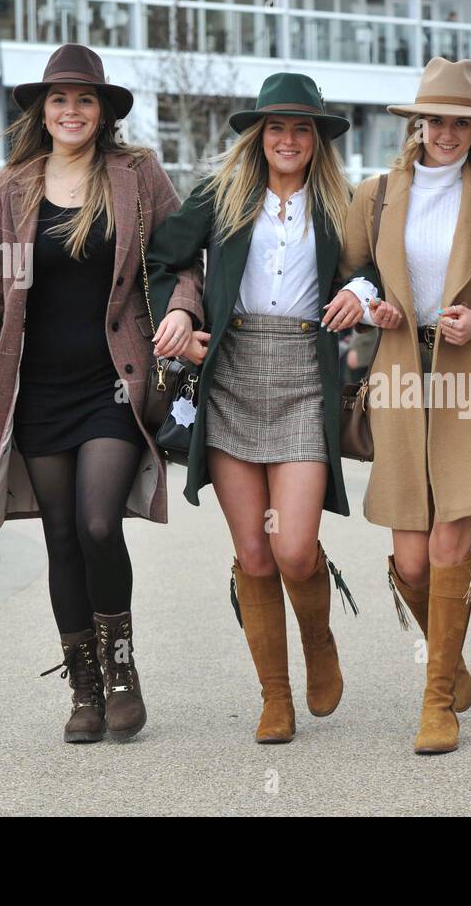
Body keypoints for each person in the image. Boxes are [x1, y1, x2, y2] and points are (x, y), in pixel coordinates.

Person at [0, 44, 204, 744]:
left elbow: (184, 255)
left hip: (113, 384)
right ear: (42, 110)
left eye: (84, 100)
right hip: (35, 392)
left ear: (102, 111)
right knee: (61, 537)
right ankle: (83, 688)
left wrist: (182, 308)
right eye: (59, 100)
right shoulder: (12, 188)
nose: (71, 111)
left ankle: (122, 670)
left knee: (97, 523)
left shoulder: (137, 175)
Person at [144, 72, 358, 745]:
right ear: (258, 136)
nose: (288, 139)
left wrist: (362, 286)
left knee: (294, 548)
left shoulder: (341, 202)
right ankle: (275, 696)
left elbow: (374, 262)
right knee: (254, 555)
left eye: (301, 128)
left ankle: (318, 638)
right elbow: (162, 258)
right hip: (231, 369)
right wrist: (178, 313)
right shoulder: (221, 194)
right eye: (276, 127)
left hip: (303, 370)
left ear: (318, 139)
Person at [331, 57, 471, 754]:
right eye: (435, 119)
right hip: (398, 371)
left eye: (460, 121)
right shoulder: (377, 194)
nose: (445, 133)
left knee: (453, 544)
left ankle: (435, 698)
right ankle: (451, 657)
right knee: (411, 563)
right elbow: (355, 270)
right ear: (416, 124)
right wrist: (370, 302)